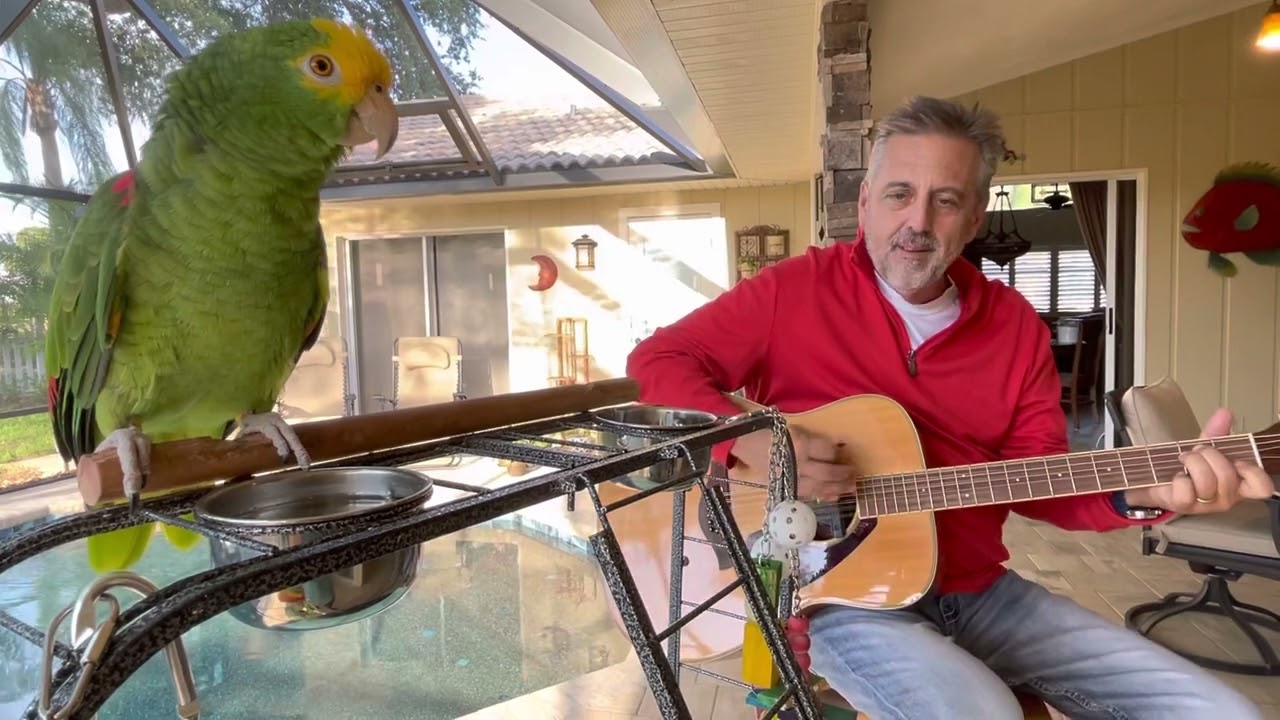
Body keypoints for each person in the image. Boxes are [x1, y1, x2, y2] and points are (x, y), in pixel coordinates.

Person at [624, 95, 1275, 719]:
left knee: (1222, 711)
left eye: (946, 200)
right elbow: (658, 362)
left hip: (981, 596)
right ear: (865, 202)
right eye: (899, 194)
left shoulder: (1014, 326)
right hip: (837, 598)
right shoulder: (792, 291)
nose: (918, 222)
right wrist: (746, 440)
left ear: (974, 217)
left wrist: (1144, 493)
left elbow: (1042, 482)